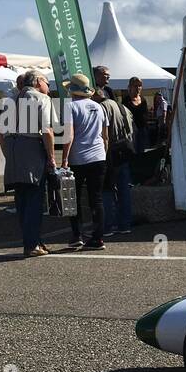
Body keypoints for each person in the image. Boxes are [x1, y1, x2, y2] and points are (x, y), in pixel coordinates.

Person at [0, 68, 56, 257]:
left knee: (22, 200)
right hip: (31, 149)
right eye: (47, 82)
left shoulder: (11, 100)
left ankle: (33, 241)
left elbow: (0, 132)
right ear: (39, 81)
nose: (48, 87)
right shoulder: (41, 99)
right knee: (34, 198)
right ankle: (32, 244)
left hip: (14, 150)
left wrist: (8, 153)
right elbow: (47, 131)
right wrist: (51, 158)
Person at [62, 73, 108, 250]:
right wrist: (104, 153)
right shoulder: (98, 107)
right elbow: (105, 136)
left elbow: (70, 135)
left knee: (74, 199)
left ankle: (77, 235)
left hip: (78, 157)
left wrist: (64, 159)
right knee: (96, 199)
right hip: (98, 156)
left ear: (72, 90)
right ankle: (98, 237)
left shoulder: (71, 107)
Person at [96, 81, 135, 235]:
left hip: (110, 151)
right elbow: (133, 130)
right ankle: (125, 225)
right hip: (125, 150)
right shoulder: (123, 107)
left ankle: (107, 226)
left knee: (106, 190)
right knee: (124, 190)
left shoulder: (102, 107)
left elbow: (102, 132)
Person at [121, 76, 150, 155]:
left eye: (140, 85)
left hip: (143, 129)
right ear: (130, 87)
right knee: (134, 151)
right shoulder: (126, 100)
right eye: (135, 85)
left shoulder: (143, 99)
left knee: (144, 151)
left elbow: (146, 114)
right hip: (132, 131)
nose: (138, 88)